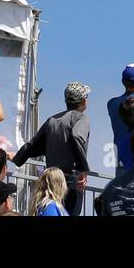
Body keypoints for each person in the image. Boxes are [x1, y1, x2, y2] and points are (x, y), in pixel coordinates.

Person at [13, 81, 91, 215]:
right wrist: (83, 169)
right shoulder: (81, 118)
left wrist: (16, 160)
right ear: (83, 100)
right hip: (71, 180)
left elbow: (33, 144)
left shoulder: (52, 120)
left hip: (51, 178)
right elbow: (76, 137)